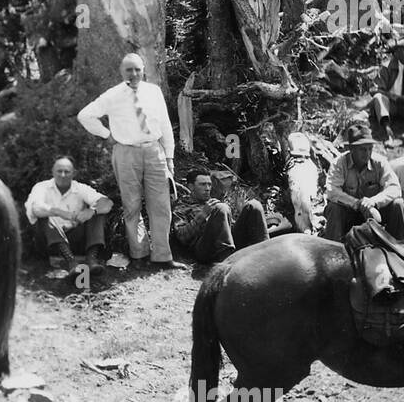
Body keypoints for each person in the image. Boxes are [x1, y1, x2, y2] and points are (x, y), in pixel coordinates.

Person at [77, 53, 187, 271]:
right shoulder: (113, 95)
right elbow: (85, 115)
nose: (134, 74)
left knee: (161, 205)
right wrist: (106, 133)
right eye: (129, 70)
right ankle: (138, 255)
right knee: (132, 205)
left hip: (154, 150)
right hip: (126, 153)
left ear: (143, 69)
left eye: (137, 69)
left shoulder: (153, 92)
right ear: (122, 72)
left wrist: (170, 157)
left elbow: (165, 125)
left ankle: (163, 257)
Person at [24, 156, 113, 275]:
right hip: (49, 243)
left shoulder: (80, 188)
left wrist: (91, 212)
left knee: (97, 212)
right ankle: (70, 262)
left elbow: (107, 203)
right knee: (45, 216)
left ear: (73, 173)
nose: (63, 175)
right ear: (53, 172)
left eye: (67, 171)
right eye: (59, 171)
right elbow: (35, 208)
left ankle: (92, 259)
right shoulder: (42, 187)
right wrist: (58, 212)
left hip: (75, 239)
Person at [321, 123, 404, 241]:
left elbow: (395, 188)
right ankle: (332, 250)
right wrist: (356, 203)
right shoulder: (339, 164)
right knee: (333, 208)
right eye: (362, 149)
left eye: (370, 149)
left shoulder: (380, 162)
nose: (367, 153)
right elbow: (332, 191)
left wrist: (373, 201)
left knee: (398, 204)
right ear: (350, 149)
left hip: (374, 213)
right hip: (349, 214)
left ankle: (401, 246)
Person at [172, 169, 270, 264]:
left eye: (209, 184)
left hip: (229, 243)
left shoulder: (213, 202)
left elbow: (229, 227)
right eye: (202, 184)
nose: (207, 188)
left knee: (254, 205)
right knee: (221, 208)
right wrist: (202, 215)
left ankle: (267, 254)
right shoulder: (182, 206)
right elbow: (182, 237)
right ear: (191, 186)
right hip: (204, 248)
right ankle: (227, 262)